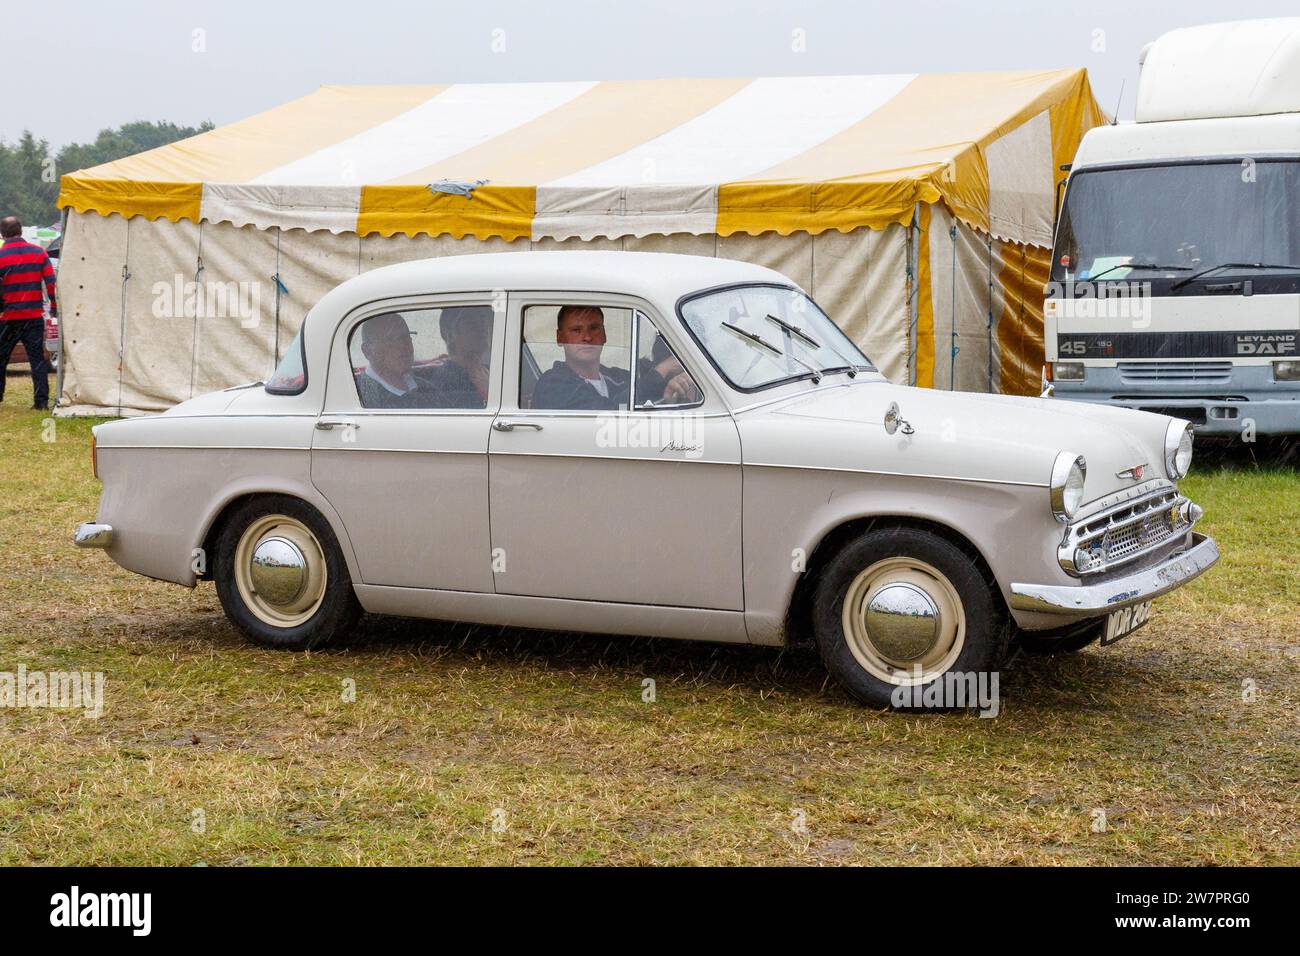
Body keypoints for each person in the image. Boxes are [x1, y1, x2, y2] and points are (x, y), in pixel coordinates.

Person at [531, 306, 696, 411]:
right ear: (560, 338)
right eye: (576, 330)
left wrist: (679, 384)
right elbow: (608, 417)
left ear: (604, 334)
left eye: (594, 328)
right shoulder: (552, 385)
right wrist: (664, 369)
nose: (587, 337)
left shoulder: (620, 378)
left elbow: (649, 396)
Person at [0, 217, 58, 410]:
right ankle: (40, 402)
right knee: (37, 361)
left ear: (2, 234)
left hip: (8, 318)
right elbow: (51, 282)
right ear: (21, 231)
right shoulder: (39, 253)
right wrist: (54, 306)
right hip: (33, 317)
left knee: (1, 358)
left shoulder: (1, 256)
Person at [353, 312, 441, 409]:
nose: (403, 346)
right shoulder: (360, 398)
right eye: (391, 339)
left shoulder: (427, 388)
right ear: (367, 351)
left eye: (406, 337)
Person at [425, 306, 493, 408]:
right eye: (470, 321)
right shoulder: (448, 381)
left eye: (482, 318)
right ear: (450, 334)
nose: (481, 325)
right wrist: (488, 392)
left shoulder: (488, 370)